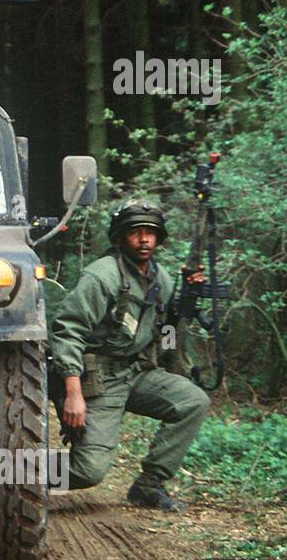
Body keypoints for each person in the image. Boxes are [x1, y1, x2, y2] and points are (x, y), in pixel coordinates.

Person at [49, 199, 210, 511]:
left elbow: (167, 335)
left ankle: (149, 486)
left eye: (151, 232)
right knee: (87, 471)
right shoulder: (102, 276)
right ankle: (5, 474)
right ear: (121, 237)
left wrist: (186, 301)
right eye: (136, 232)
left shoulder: (161, 279)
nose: (144, 239)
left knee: (193, 401)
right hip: (97, 379)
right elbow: (68, 330)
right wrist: (73, 393)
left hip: (136, 372)